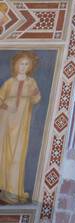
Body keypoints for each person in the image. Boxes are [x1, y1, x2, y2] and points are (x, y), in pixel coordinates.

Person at [0, 52, 41, 204]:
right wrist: (5, 106)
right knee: (3, 151)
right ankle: (2, 186)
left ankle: (13, 191)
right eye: (21, 64)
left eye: (26, 64)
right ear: (15, 65)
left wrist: (32, 93)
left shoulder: (31, 82)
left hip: (22, 121)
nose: (23, 67)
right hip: (5, 119)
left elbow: (37, 98)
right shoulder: (9, 82)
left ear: (30, 67)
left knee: (17, 153)